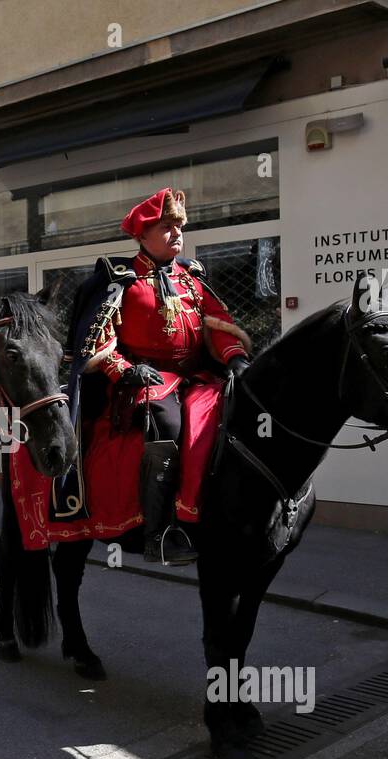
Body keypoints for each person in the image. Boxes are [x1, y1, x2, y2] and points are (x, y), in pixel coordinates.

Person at [67, 188, 250, 565]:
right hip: (146, 380)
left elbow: (219, 324)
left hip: (196, 376)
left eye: (179, 227)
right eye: (166, 227)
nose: (177, 234)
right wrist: (126, 370)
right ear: (143, 235)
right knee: (167, 422)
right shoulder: (122, 279)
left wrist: (234, 358)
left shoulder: (192, 278)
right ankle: (161, 531)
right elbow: (99, 341)